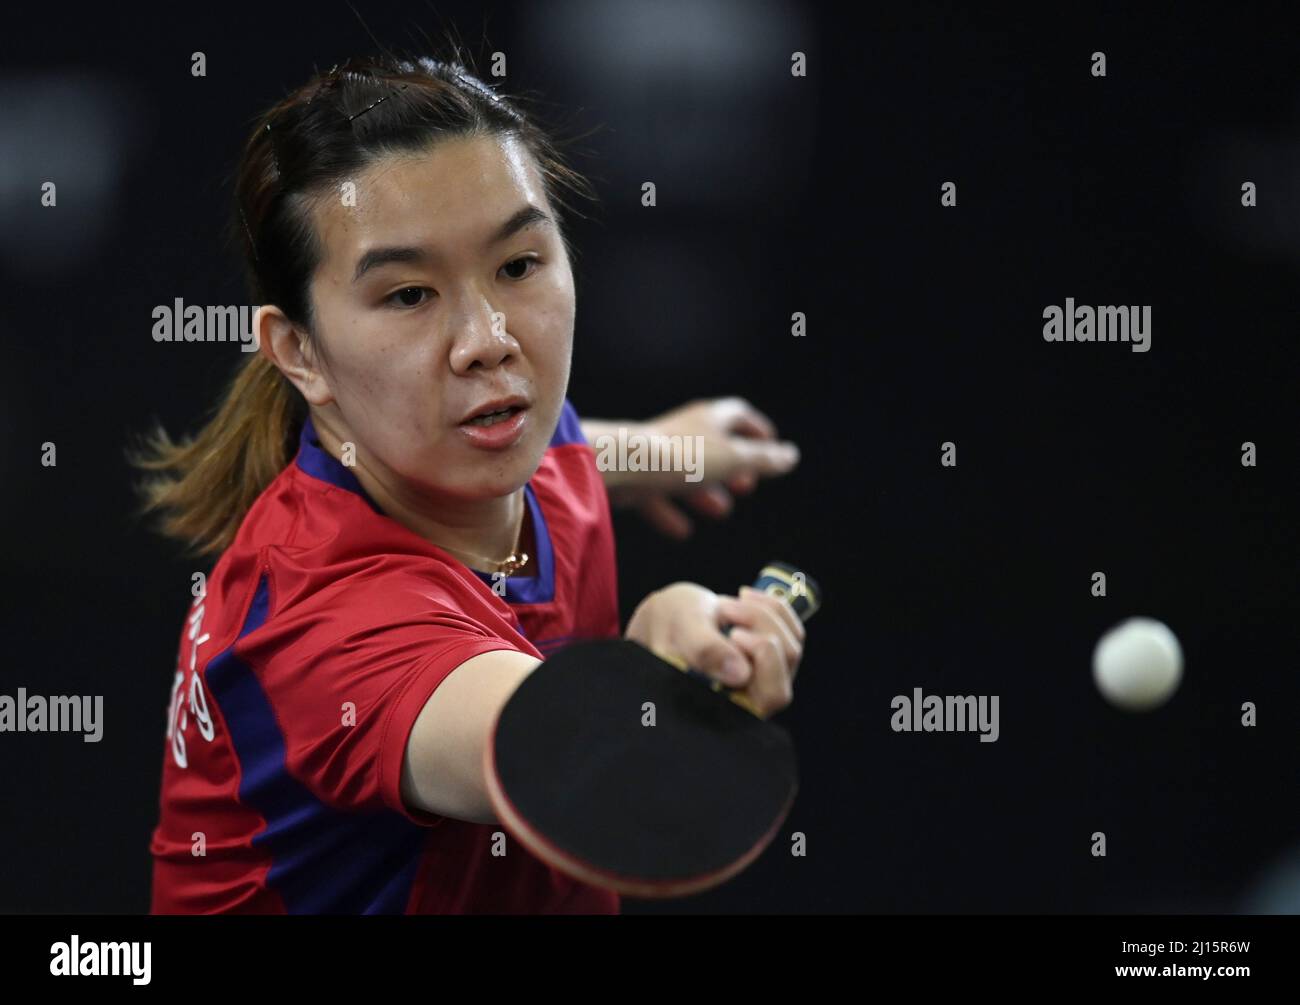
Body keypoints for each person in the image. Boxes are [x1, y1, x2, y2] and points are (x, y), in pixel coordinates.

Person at [132, 50, 805, 914]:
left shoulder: (482, 443)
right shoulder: (331, 626)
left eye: (519, 265)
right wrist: (656, 665)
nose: (487, 338)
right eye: (410, 295)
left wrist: (663, 450)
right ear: (300, 352)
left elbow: (566, 453)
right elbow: (577, 767)